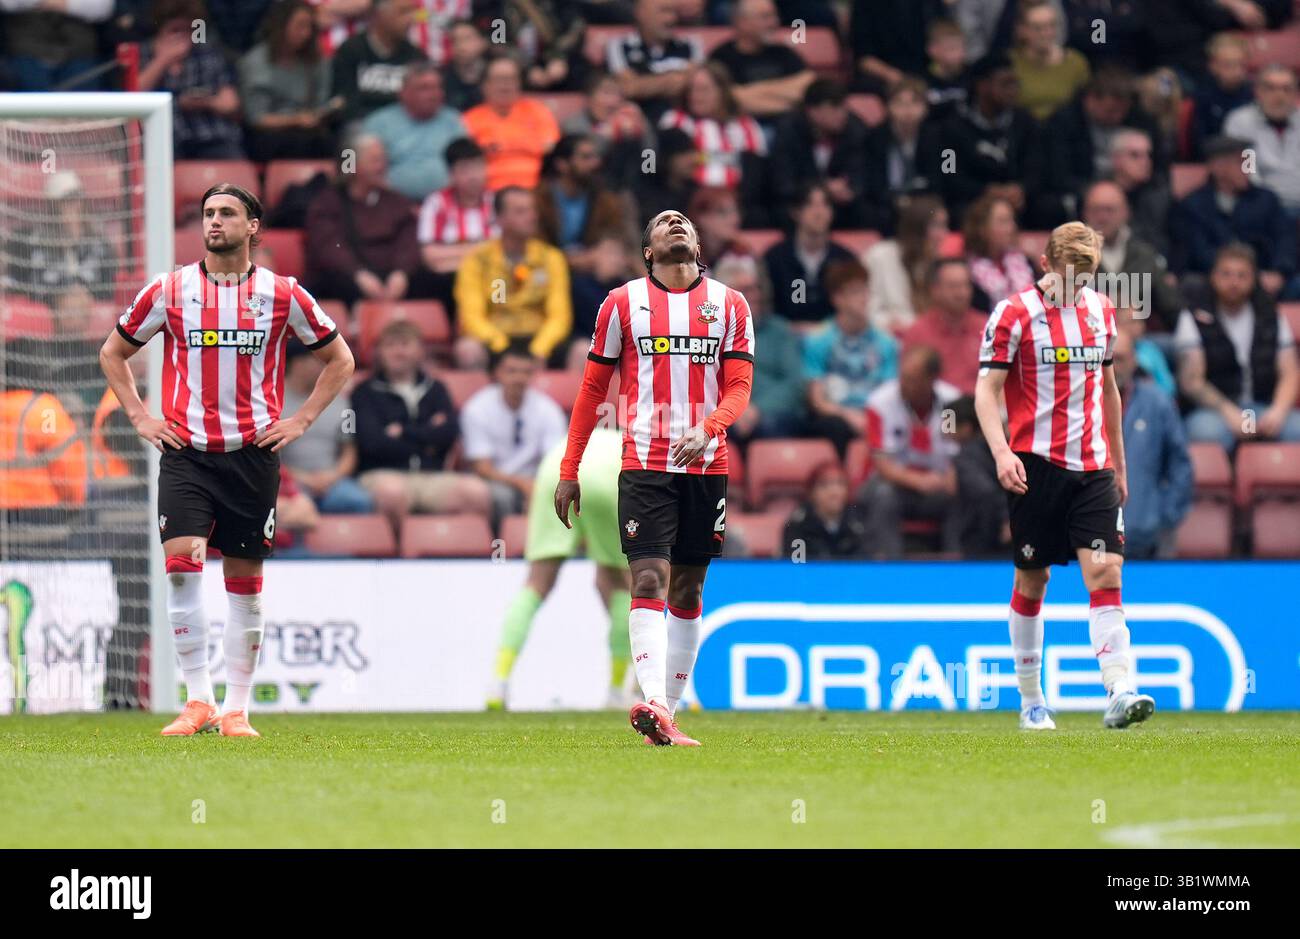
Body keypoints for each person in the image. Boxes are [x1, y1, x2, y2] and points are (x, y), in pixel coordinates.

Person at [99, 183, 356, 738]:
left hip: (251, 457)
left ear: (254, 226)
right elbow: (113, 351)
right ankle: (197, 701)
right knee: (182, 568)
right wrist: (142, 417)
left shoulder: (283, 294)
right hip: (186, 454)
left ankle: (236, 708)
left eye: (227, 213)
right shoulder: (169, 290)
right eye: (208, 213)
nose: (214, 222)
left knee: (244, 580)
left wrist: (302, 419)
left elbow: (340, 358)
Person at [554, 208, 755, 746]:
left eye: (684, 220)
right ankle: (657, 706)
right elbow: (591, 394)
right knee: (647, 580)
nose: (675, 222)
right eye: (663, 222)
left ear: (696, 242)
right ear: (648, 251)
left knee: (689, 589)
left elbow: (739, 387)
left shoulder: (730, 305)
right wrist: (568, 470)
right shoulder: (621, 304)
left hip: (705, 465)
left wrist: (710, 428)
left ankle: (667, 712)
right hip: (643, 463)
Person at [974, 221, 1155, 731]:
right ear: (1047, 265)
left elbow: (1109, 390)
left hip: (1093, 467)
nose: (1077, 288)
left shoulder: (1100, 312)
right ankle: (1032, 699)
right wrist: (1000, 452)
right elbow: (987, 391)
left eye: (1086, 278)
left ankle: (1120, 689)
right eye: (1070, 276)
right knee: (1034, 579)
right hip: (1034, 465)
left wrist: (1117, 462)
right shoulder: (1014, 314)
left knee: (1106, 573)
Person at [489, 428, 633, 710]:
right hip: (610, 478)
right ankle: (619, 690)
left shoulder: (593, 434)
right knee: (623, 586)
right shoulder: (632, 443)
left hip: (558, 467)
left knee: (536, 584)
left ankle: (498, 683)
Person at [351, 319, 492, 528]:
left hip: (433, 475)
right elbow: (372, 444)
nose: (398, 352)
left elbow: (448, 434)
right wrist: (427, 437)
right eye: (390, 346)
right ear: (379, 352)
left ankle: (464, 556)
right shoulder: (364, 392)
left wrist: (402, 431)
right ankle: (398, 557)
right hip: (382, 474)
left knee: (476, 493)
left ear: (420, 351)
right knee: (392, 493)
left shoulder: (436, 389)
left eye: (405, 345)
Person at [1174, 243, 1300, 452]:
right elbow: (1191, 381)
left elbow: (1290, 372)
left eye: (1242, 276)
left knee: (1296, 428)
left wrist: (1278, 411)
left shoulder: (1271, 315)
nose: (1234, 282)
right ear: (1213, 277)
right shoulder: (1195, 316)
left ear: (1254, 279)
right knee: (1205, 433)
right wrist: (1229, 412)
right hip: (1217, 411)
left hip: (1263, 407)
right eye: (1226, 274)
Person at [858, 345, 962, 558]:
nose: (904, 384)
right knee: (883, 495)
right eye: (903, 377)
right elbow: (883, 464)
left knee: (964, 494)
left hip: (937, 485)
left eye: (913, 379)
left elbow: (957, 452)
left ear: (932, 378)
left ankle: (957, 563)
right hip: (891, 484)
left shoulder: (951, 403)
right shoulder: (880, 403)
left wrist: (951, 478)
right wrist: (919, 481)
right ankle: (888, 565)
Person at [453, 187, 573, 368]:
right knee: (468, 350)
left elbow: (560, 316)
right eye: (520, 211)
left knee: (583, 350)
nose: (532, 216)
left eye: (532, 209)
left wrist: (540, 348)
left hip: (538, 338)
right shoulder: (478, 260)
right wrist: (501, 346)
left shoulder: (551, 258)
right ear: (500, 219)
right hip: (496, 338)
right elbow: (471, 317)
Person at [303, 134, 426, 304]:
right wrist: (358, 274)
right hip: (347, 277)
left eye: (383, 160)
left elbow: (409, 240)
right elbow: (328, 246)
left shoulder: (398, 202)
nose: (382, 167)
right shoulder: (327, 203)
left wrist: (401, 273)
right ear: (353, 165)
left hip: (392, 277)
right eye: (375, 161)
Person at [1171, 135, 1296, 295]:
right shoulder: (1194, 205)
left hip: (1267, 276)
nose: (1249, 169)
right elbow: (1198, 251)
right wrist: (1240, 275)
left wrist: (1279, 272)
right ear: (1217, 167)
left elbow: (1285, 239)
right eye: (1242, 162)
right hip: (1216, 278)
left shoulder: (1266, 200)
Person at [461, 342, 568, 522]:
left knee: (559, 491)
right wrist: (521, 483)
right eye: (511, 371)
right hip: (494, 480)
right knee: (501, 496)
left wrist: (540, 485)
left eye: (526, 372)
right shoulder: (477, 408)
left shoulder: (548, 409)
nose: (519, 378)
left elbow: (554, 461)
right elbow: (482, 467)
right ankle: (502, 546)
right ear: (497, 373)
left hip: (536, 478)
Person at [804, 258, 900, 456]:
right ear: (838, 299)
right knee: (833, 427)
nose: (864, 298)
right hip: (838, 415)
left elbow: (891, 393)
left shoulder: (886, 343)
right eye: (856, 292)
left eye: (866, 291)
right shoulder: (818, 341)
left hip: (876, 413)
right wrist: (850, 416)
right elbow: (817, 401)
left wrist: (871, 418)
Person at [938, 51, 1043, 227]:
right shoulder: (953, 127)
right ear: (982, 86)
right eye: (1005, 84)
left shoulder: (1025, 122)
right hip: (973, 199)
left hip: (1017, 200)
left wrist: (1021, 188)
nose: (1013, 91)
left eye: (1014, 84)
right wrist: (985, 191)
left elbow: (1037, 166)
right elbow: (949, 174)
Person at [1112, 331, 1192, 559]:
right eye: (1106, 358)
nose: (1112, 366)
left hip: (1145, 540)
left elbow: (1180, 465)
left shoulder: (1157, 403)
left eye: (1120, 359)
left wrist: (1164, 517)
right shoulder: (1077, 404)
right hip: (1084, 541)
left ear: (1134, 361)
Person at [659, 63, 768, 223]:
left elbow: (755, 170)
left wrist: (700, 157)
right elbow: (676, 167)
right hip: (689, 204)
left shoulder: (746, 126)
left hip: (740, 203)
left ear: (722, 92)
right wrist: (733, 157)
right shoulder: (675, 121)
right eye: (691, 90)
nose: (695, 96)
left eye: (703, 90)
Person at [713, 256, 805, 443]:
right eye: (746, 290)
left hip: (774, 416)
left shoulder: (780, 331)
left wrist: (757, 409)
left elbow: (795, 384)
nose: (755, 295)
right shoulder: (709, 335)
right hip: (727, 417)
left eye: (756, 288)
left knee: (770, 426)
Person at [139, 0, 245, 159]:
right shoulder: (143, 53)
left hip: (209, 136)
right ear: (161, 28)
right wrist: (163, 60)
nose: (181, 36)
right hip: (163, 139)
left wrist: (206, 102)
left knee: (230, 157)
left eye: (188, 30)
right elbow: (133, 95)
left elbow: (230, 104)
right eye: (175, 30)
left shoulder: (207, 53)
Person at [280, 342, 374, 515]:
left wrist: (332, 476)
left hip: (332, 481)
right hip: (287, 482)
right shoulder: (273, 401)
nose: (326, 365)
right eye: (319, 360)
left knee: (359, 501)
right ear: (298, 363)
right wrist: (303, 479)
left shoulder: (343, 401)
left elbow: (349, 450)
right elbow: (267, 457)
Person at [238, 0, 337, 161]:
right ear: (281, 25)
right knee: (296, 144)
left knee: (334, 142)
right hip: (269, 134)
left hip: (308, 130)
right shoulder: (256, 62)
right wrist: (295, 120)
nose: (306, 33)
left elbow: (320, 103)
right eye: (300, 26)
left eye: (310, 27)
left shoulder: (315, 61)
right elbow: (256, 117)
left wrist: (320, 114)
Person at [769, 78, 874, 230]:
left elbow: (860, 174)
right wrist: (822, 188)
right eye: (834, 108)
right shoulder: (788, 132)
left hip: (839, 204)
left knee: (866, 213)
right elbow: (782, 183)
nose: (842, 114)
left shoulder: (855, 130)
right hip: (800, 201)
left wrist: (850, 190)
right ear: (813, 111)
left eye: (844, 108)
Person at [1082, 179, 1182, 332]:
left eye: (1109, 210)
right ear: (1085, 214)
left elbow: (1170, 306)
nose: (1102, 217)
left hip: (1140, 340)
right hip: (1086, 339)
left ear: (1126, 212)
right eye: (1096, 210)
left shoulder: (1145, 255)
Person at [361, 63, 468, 202]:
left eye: (437, 88)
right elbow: (353, 159)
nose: (434, 94)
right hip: (390, 203)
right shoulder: (378, 123)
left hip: (447, 203)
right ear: (403, 93)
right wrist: (345, 171)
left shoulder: (453, 121)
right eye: (424, 88)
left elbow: (467, 164)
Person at [462, 56, 562, 191]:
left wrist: (499, 147)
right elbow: (467, 160)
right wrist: (525, 145)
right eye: (499, 79)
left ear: (519, 83)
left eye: (511, 79)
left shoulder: (537, 111)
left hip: (536, 189)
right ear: (485, 86)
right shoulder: (470, 119)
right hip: (489, 192)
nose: (505, 85)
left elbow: (550, 149)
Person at [707, 0, 815, 123]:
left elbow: (808, 85)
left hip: (789, 127)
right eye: (765, 17)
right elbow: (727, 100)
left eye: (774, 16)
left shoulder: (783, 52)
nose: (774, 23)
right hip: (742, 129)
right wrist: (787, 98)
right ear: (742, 22)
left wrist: (751, 92)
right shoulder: (722, 57)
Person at [764, 183, 854, 324]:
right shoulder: (775, 258)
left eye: (825, 205)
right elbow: (766, 309)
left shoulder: (845, 259)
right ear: (796, 212)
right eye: (810, 205)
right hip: (785, 336)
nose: (819, 212)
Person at [863, 77, 944, 232]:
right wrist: (897, 201)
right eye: (899, 103)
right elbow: (872, 182)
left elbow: (946, 174)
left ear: (925, 108)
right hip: (887, 204)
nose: (908, 110)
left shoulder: (940, 139)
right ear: (888, 107)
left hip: (926, 202)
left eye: (915, 103)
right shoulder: (873, 139)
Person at [329, 0, 426, 126]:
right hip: (360, 125)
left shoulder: (415, 56)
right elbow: (345, 101)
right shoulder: (351, 51)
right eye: (403, 12)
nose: (410, 20)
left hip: (405, 127)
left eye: (411, 12)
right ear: (379, 15)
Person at [864, 194, 950, 334]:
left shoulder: (938, 266)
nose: (944, 234)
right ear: (916, 228)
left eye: (944, 226)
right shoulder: (880, 256)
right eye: (936, 226)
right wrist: (887, 323)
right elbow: (866, 308)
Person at [606, 0, 702, 124]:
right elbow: (628, 88)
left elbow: (697, 85)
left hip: (685, 123)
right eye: (664, 11)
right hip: (640, 125)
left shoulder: (690, 46)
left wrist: (645, 84)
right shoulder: (619, 46)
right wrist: (672, 79)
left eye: (673, 12)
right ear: (641, 13)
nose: (671, 19)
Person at [1223, 64, 1300, 216]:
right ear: (1258, 91)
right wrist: (1268, 200)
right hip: (1261, 204)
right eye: (1271, 88)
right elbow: (1247, 170)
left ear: (1295, 93)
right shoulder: (1241, 122)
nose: (1279, 95)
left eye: (1286, 89)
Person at [901, 258, 985, 395]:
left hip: (981, 408)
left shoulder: (988, 327)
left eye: (966, 285)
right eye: (954, 286)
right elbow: (909, 385)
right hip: (940, 410)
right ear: (935, 290)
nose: (962, 293)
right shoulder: (918, 333)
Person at [417, 138, 497, 273]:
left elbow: (506, 251)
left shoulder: (496, 201)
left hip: (491, 274)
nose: (473, 176)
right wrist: (481, 250)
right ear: (451, 174)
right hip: (451, 278)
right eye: (465, 169)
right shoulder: (436, 203)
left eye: (478, 167)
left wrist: (454, 254)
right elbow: (429, 255)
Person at [1009, 0, 1089, 121]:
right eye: (1037, 28)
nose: (1046, 33)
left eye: (1051, 25)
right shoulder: (1009, 64)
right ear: (1021, 30)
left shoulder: (1076, 63)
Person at [963, 193, 1037, 313]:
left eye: (1011, 220)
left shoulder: (1027, 263)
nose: (1011, 228)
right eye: (1003, 222)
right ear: (981, 228)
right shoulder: (967, 272)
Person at [781, 462, 870, 560]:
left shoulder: (858, 522)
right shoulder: (797, 525)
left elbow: (867, 564)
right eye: (824, 485)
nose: (834, 492)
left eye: (840, 484)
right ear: (811, 492)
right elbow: (795, 567)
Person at [1107, 128, 1172, 257]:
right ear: (1116, 159)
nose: (1145, 162)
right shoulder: (1099, 195)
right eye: (1135, 155)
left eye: (1148, 155)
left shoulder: (1161, 195)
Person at [1190, 33, 1253, 160]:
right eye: (1229, 65)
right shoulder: (1203, 98)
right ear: (1213, 66)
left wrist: (1249, 173)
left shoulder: (1254, 96)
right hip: (1215, 160)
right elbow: (1199, 143)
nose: (1236, 71)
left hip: (1249, 161)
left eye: (1241, 65)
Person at [923, 17, 970, 122]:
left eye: (962, 48)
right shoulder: (923, 80)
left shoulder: (972, 77)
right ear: (933, 50)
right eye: (951, 48)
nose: (959, 54)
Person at [441, 18, 488, 111]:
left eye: (467, 39)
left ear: (483, 42)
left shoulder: (495, 72)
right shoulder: (441, 78)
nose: (460, 46)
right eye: (454, 41)